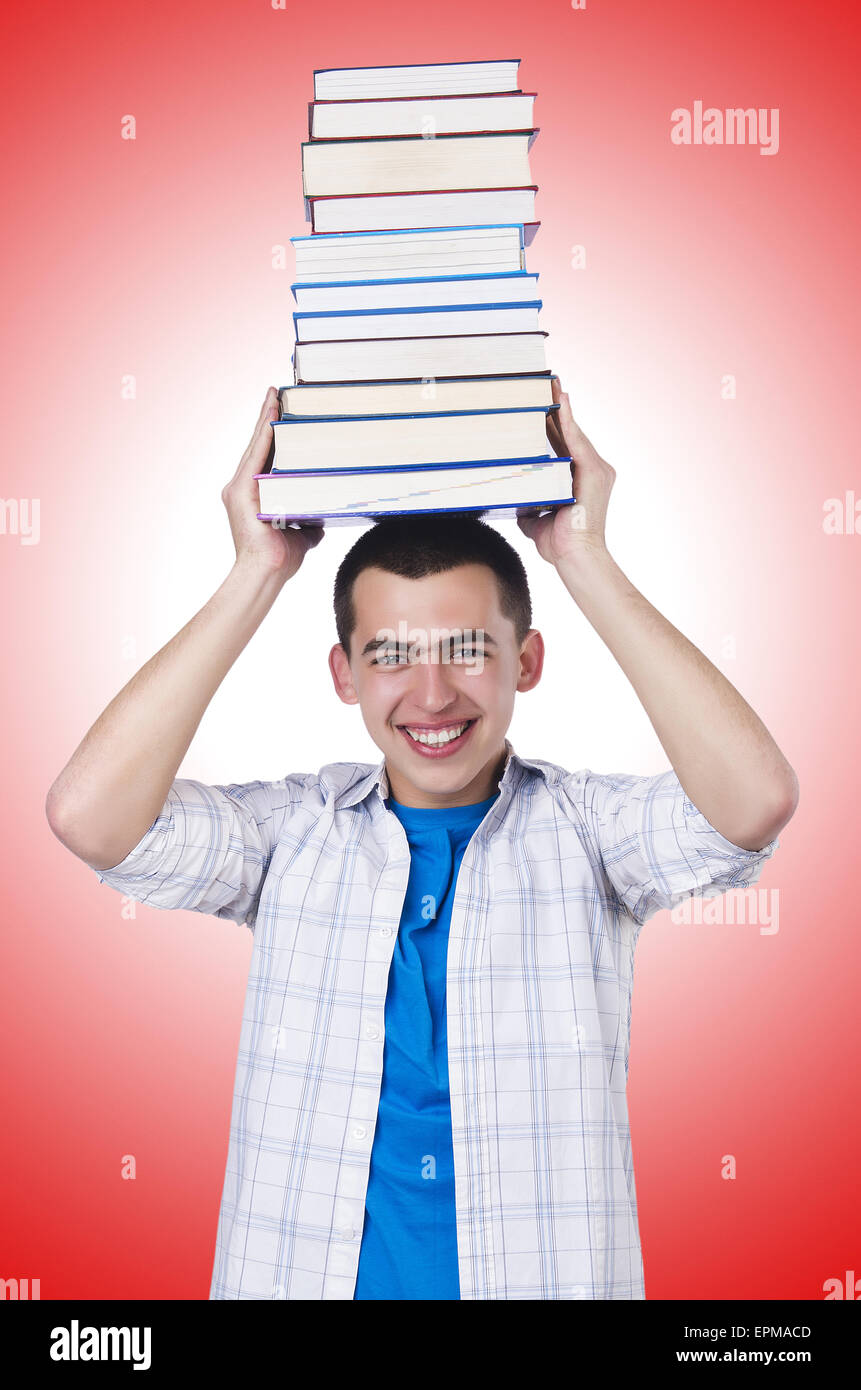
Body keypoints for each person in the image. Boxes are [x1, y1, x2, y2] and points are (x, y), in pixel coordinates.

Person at [45, 380, 798, 1300]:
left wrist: (582, 556)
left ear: (525, 661)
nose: (432, 696)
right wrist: (257, 572)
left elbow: (752, 801)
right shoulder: (292, 835)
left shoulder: (589, 836)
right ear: (345, 675)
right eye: (391, 656)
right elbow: (91, 816)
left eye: (467, 650)